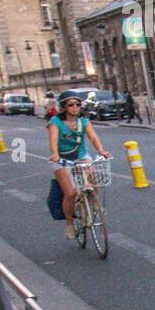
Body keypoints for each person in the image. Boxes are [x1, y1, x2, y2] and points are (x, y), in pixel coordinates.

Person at [48, 94, 112, 239]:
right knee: (70, 193)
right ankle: (69, 224)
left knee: (93, 179)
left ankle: (91, 203)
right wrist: (55, 154)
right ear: (63, 107)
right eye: (71, 105)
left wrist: (101, 150)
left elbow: (93, 137)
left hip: (81, 156)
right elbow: (53, 139)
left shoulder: (83, 121)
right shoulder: (55, 122)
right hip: (62, 159)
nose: (75, 107)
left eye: (77, 104)